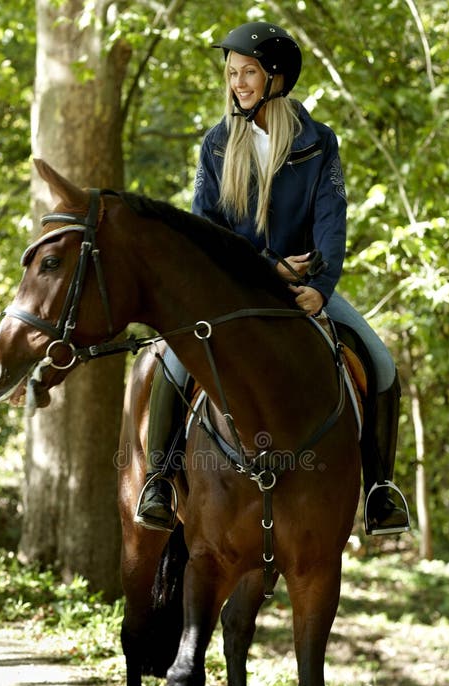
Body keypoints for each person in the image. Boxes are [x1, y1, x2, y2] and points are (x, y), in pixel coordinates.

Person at [135, 21, 410, 536]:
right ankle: (158, 479)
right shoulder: (217, 144)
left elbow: (332, 223)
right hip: (229, 292)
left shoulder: (319, 143)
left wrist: (320, 290)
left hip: (307, 291)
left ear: (276, 78)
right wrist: (268, 268)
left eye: (248, 73)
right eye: (232, 73)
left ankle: (379, 490)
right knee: (171, 359)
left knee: (382, 362)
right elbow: (206, 230)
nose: (237, 83)